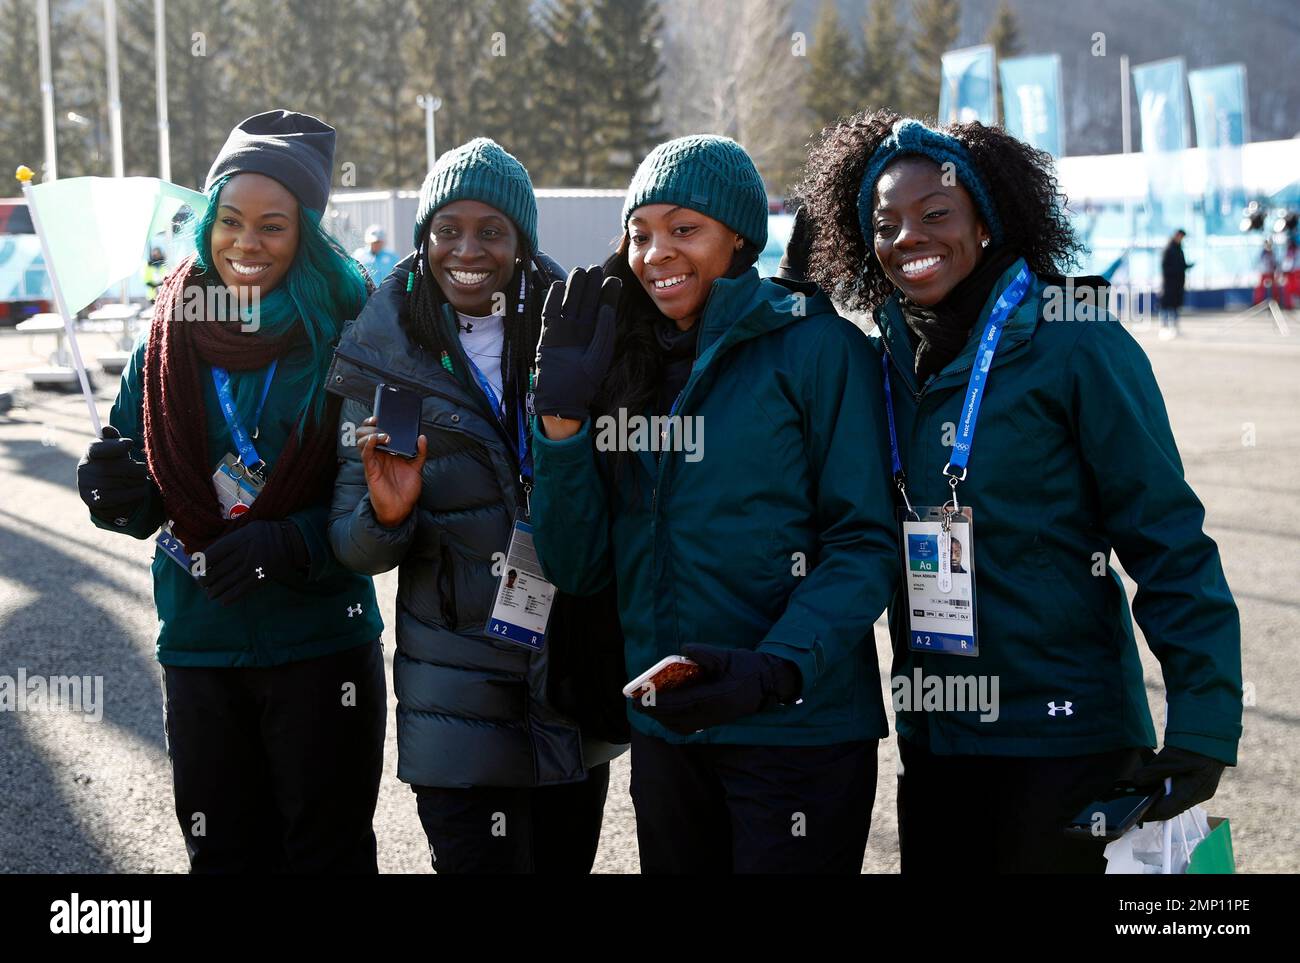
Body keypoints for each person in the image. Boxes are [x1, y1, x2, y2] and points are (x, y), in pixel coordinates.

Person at [797, 111, 1242, 874]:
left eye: (936, 214)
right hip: (938, 741)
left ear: (987, 221)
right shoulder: (878, 363)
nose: (909, 237)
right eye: (887, 223)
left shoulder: (1076, 342)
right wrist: (791, 324)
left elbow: (1166, 536)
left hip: (1067, 742)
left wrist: (1202, 722)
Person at [529, 134, 899, 874]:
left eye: (683, 229)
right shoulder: (624, 366)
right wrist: (562, 430)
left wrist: (774, 670)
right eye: (639, 234)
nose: (655, 253)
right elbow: (578, 567)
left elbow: (866, 543)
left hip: (798, 735)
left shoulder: (820, 351)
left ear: (739, 237)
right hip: (670, 740)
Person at [75, 110, 386, 873]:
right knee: (222, 855)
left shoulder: (353, 330)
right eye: (231, 221)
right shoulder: (164, 334)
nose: (246, 244)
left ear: (305, 232)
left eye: (273, 227)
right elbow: (149, 482)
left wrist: (293, 540)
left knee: (328, 854)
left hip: (321, 643)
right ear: (208, 220)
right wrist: (115, 494)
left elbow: (379, 499)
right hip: (200, 638)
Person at [327, 138, 625, 874]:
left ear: (521, 242)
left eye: (491, 230)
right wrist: (386, 515)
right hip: (454, 697)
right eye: (447, 229)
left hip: (566, 681)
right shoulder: (390, 358)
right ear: (424, 237)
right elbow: (352, 547)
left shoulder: (577, 334)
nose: (467, 249)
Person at [1159, 228, 1191, 338]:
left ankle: (1174, 327)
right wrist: (1177, 270)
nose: (1181, 239)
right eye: (1181, 236)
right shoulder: (1168, 249)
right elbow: (1165, 267)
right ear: (1177, 235)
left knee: (1175, 306)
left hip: (1178, 284)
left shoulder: (1179, 249)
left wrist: (1186, 267)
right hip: (1169, 283)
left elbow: (1181, 265)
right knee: (1167, 305)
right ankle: (1164, 327)